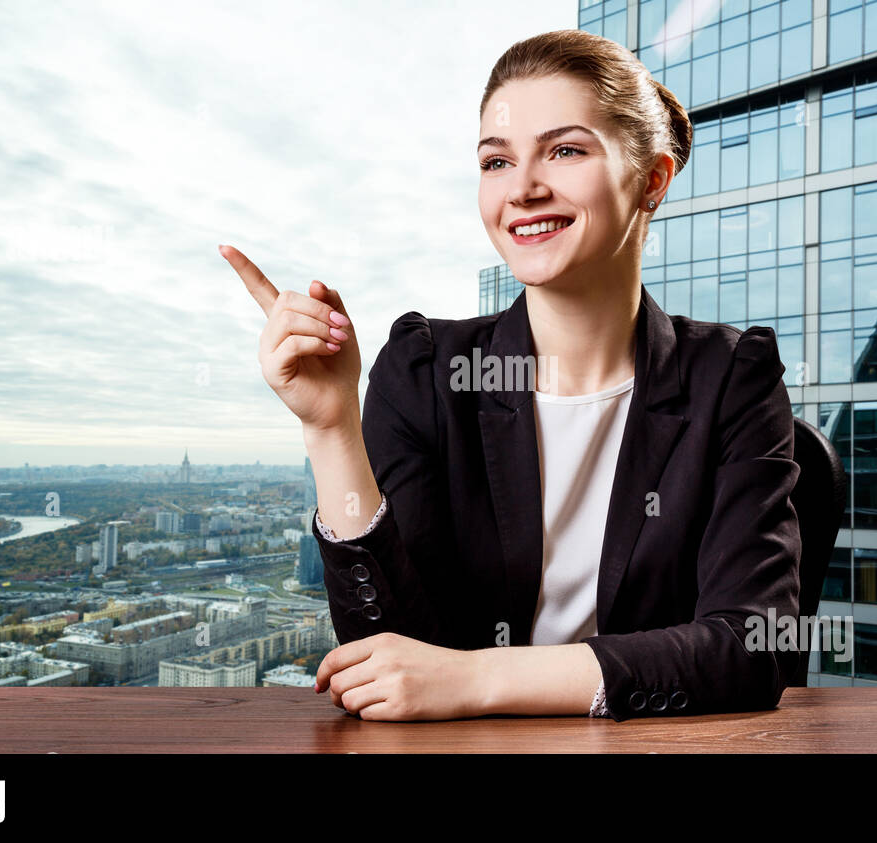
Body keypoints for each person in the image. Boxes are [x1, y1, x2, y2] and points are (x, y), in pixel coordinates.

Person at [219, 29, 801, 722]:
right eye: (496, 161)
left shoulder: (731, 377)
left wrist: (474, 679)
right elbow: (386, 661)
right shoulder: (427, 369)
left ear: (652, 179)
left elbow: (748, 649)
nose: (522, 188)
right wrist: (330, 427)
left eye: (565, 150)